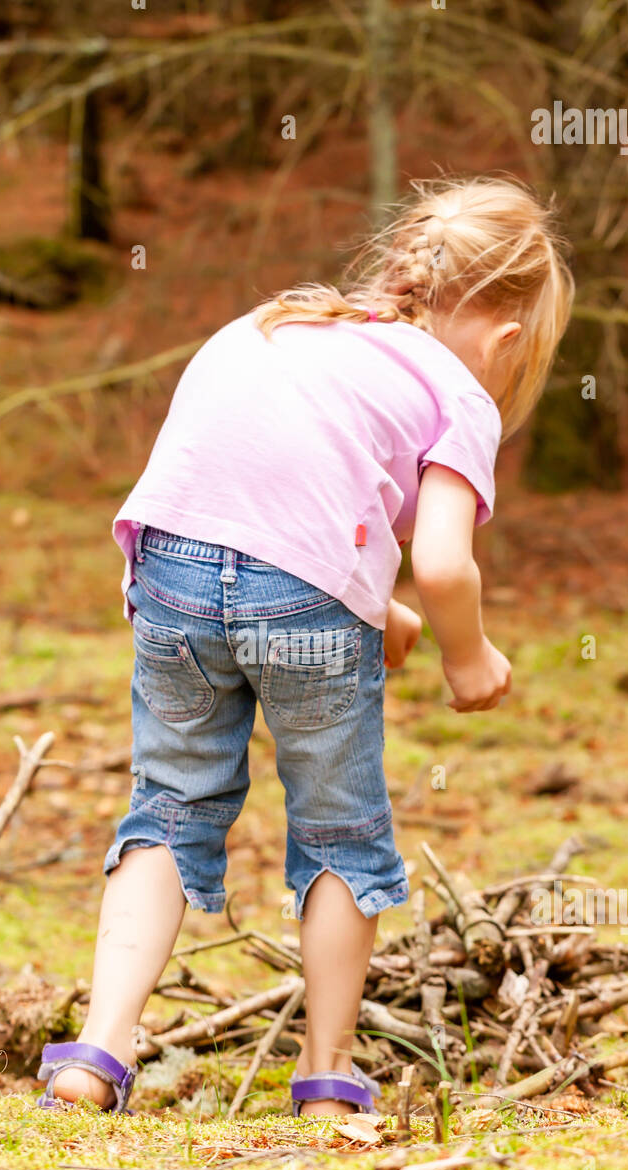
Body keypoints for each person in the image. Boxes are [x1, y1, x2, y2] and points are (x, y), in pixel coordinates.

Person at [37, 174, 574, 1117]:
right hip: (301, 603)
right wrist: (467, 655)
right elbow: (442, 564)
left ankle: (95, 1053)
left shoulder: (288, 323)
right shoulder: (458, 390)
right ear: (509, 338)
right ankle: (327, 1075)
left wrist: (380, 613)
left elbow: (267, 502)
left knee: (168, 807)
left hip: (172, 573)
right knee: (339, 829)